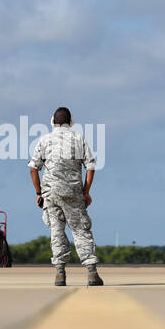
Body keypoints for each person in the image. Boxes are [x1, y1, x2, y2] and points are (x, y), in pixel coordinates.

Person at [28, 107, 102, 286]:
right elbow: (90, 167)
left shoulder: (44, 140)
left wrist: (39, 193)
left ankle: (60, 274)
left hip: (51, 193)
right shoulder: (78, 138)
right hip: (73, 193)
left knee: (56, 231)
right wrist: (86, 192)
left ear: (52, 121)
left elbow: (33, 168)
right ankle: (92, 273)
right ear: (71, 122)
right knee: (81, 230)